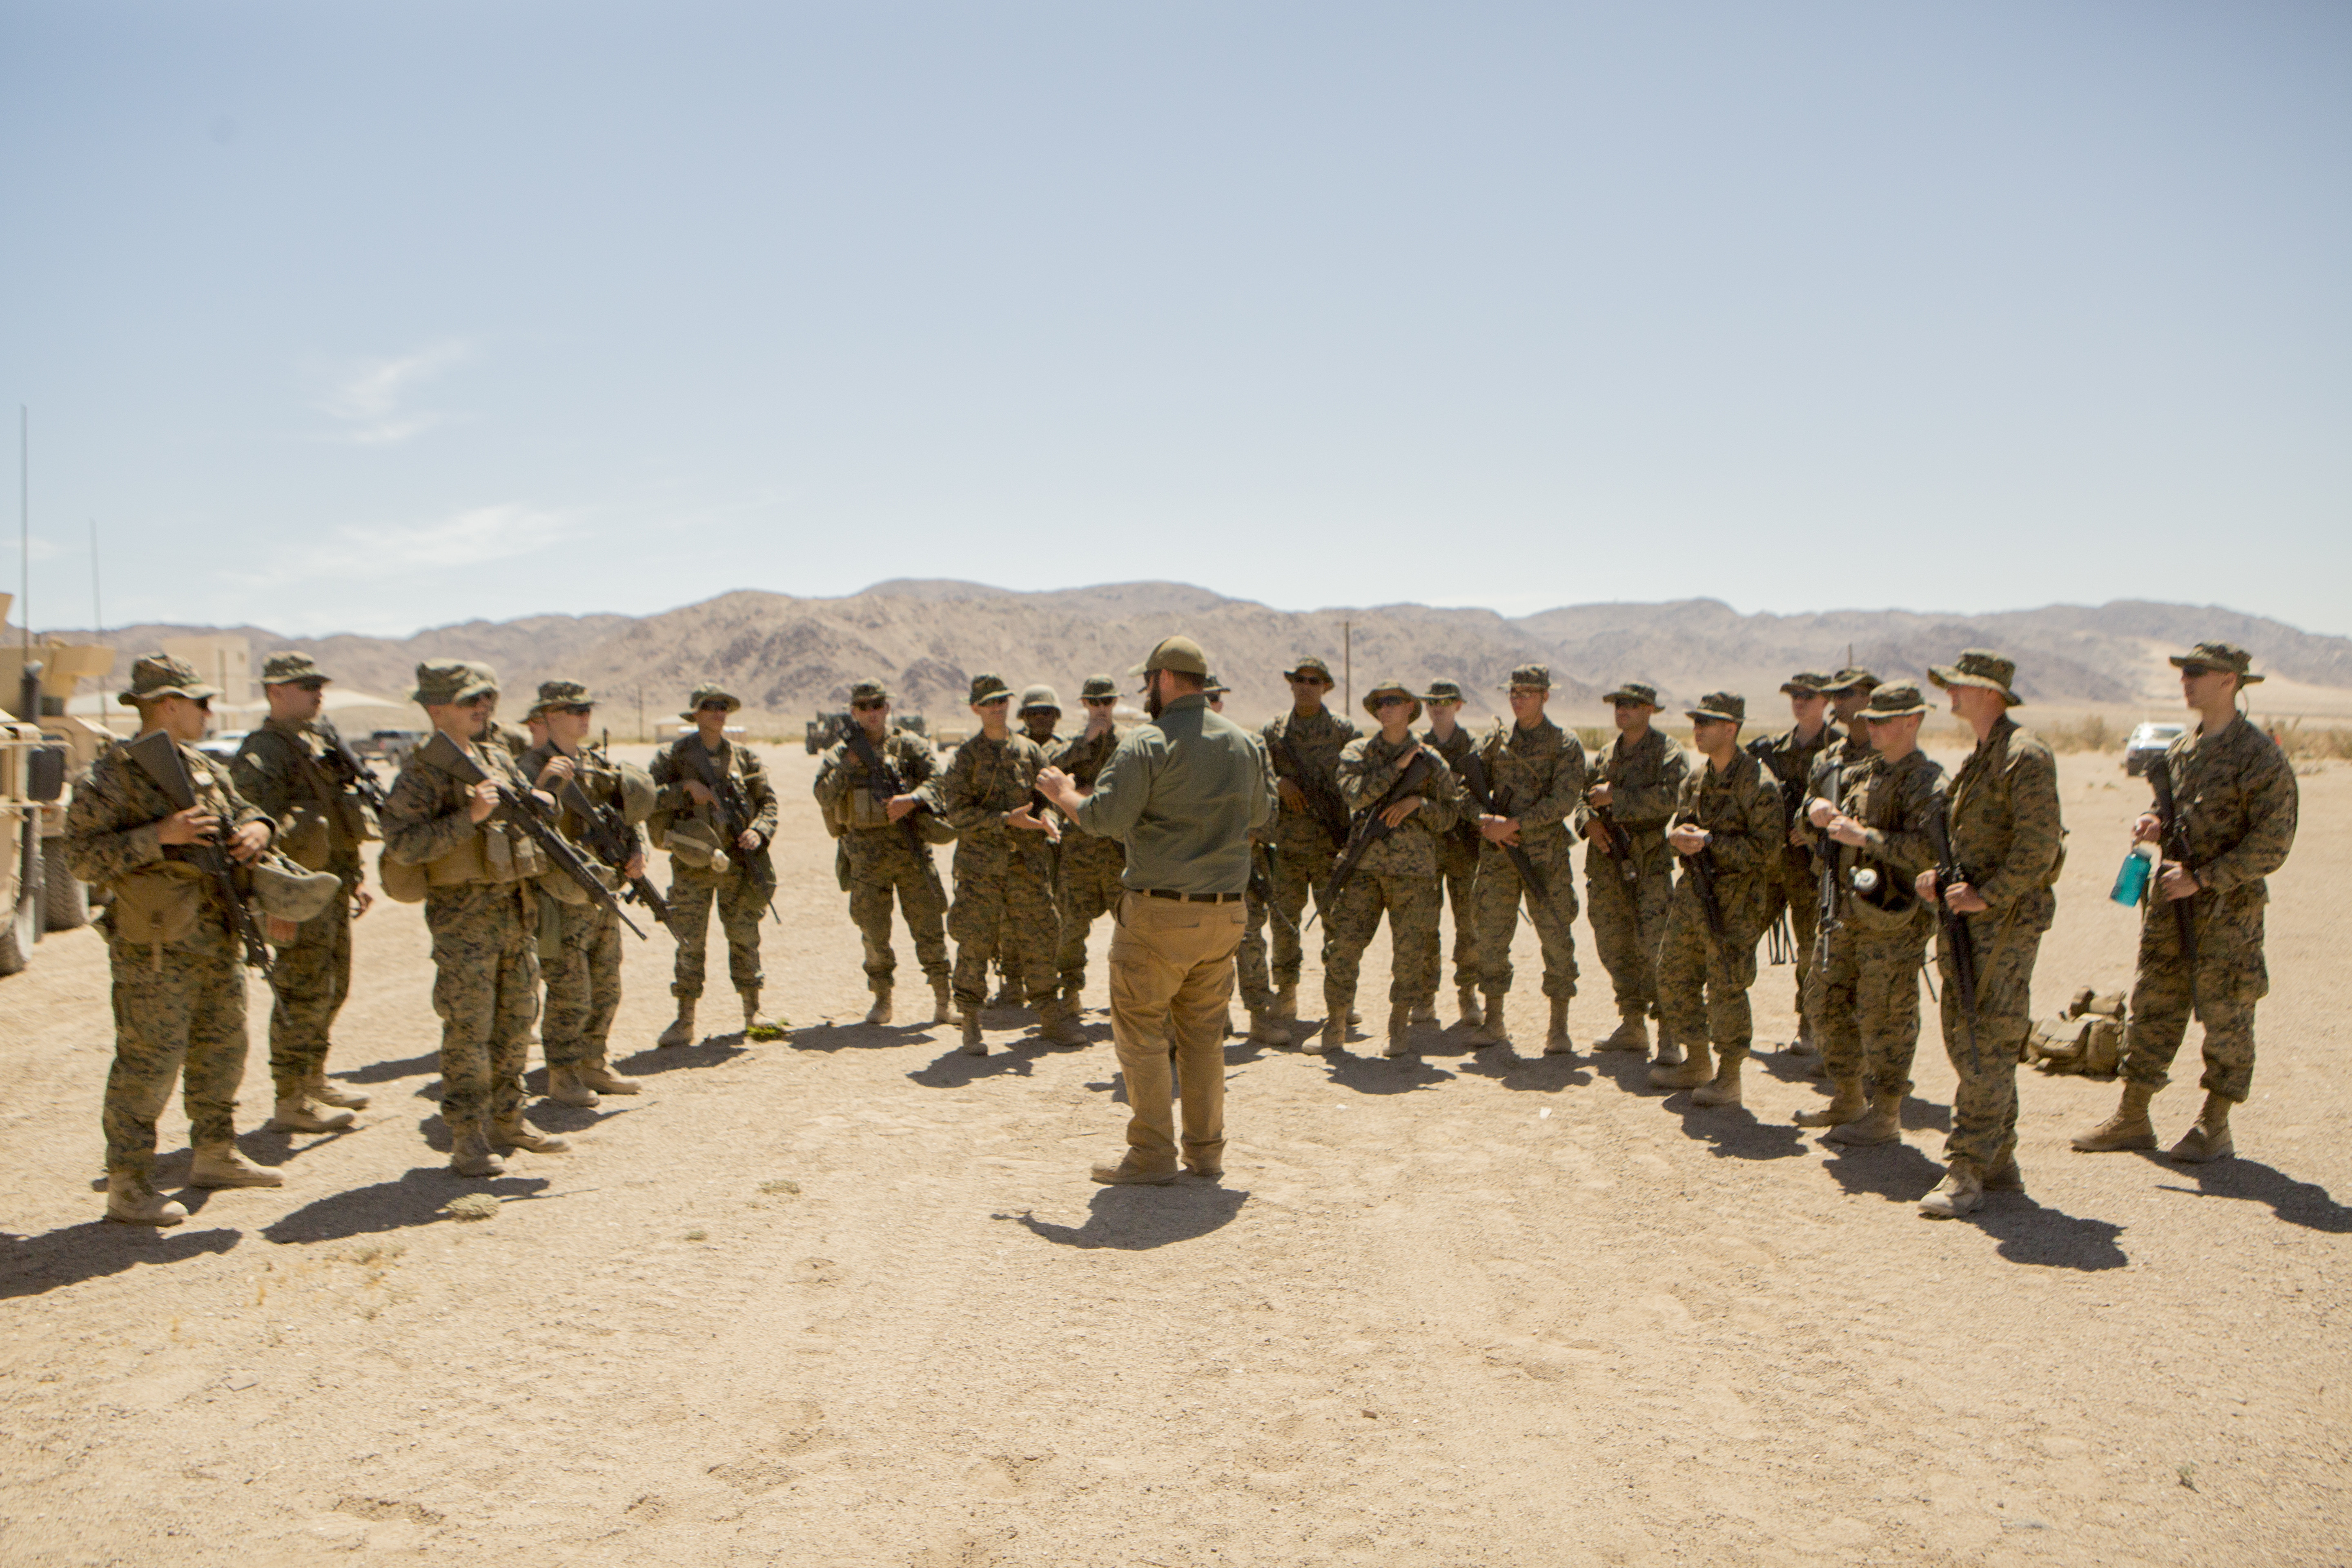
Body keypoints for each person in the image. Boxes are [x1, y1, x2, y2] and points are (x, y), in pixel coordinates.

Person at [1035, 635, 1274, 1184]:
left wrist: (1062, 792)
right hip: (1225, 917)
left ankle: (1152, 1155)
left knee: (1141, 1034)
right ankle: (1206, 1153)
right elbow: (1261, 813)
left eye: (1148, 681)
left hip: (1159, 917)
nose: (1146, 691)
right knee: (1203, 1037)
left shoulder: (1148, 742)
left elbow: (1103, 819)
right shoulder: (1244, 743)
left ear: (1164, 679)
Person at [67, 654, 285, 1223]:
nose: (209, 713)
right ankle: (128, 1184)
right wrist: (159, 836)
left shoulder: (203, 767)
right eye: (201, 703)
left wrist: (259, 828)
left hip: (217, 934)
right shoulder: (110, 776)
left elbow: (247, 810)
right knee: (149, 1062)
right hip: (156, 946)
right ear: (168, 705)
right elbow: (81, 858)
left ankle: (215, 1153)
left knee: (223, 1049)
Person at [2073, 641, 2297, 1165]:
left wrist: (2205, 878)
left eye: (2197, 672)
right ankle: (2133, 1115)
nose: (2186, 680)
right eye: (2184, 672)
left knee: (2227, 1015)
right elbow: (2171, 807)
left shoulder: (2259, 756)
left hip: (2227, 915)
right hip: (2171, 907)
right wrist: (2154, 821)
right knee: (2153, 1005)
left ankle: (2214, 1124)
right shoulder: (2181, 750)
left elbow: (2274, 842)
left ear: (2229, 681)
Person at [381, 660, 568, 1177]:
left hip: (514, 911)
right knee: (469, 1030)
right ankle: (467, 1136)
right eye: (470, 701)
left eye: (487, 698)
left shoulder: (495, 757)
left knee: (516, 1021)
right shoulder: (423, 773)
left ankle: (509, 1118)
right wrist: (470, 818)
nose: (483, 707)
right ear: (436, 709)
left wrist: (543, 795)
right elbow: (402, 844)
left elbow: (525, 816)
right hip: (463, 922)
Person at [1911, 650, 2063, 1218]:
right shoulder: (1983, 756)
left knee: (1986, 1041)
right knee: (1969, 1036)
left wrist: (1989, 895)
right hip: (1967, 921)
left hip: (2004, 924)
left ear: (1990, 693)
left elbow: (2039, 846)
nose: (1950, 691)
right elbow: (1971, 840)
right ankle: (1999, 1158)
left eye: (1961, 684)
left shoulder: (2025, 755)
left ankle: (1967, 1168)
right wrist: (1941, 877)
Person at [231, 652, 376, 1134]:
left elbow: (337, 817)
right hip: (296, 894)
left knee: (333, 987)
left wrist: (354, 877)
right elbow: (254, 832)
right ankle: (290, 1099)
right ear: (275, 692)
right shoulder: (263, 753)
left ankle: (314, 1077)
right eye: (307, 686)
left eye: (319, 686)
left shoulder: (317, 742)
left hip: (330, 886)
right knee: (301, 993)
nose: (318, 694)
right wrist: (274, 902)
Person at [1793, 682, 1945, 1141]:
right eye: (1870, 719)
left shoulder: (1929, 783)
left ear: (1912, 722)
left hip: (1892, 919)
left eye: (1882, 721)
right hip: (1844, 912)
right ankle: (1848, 1097)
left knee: (1887, 1014)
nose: (1871, 727)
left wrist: (1866, 839)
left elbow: (1932, 851)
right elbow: (1809, 819)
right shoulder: (1856, 773)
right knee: (1825, 1001)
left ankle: (1887, 1113)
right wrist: (1814, 810)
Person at [517, 681, 647, 1107]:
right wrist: (544, 785)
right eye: (576, 710)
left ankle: (594, 1063)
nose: (585, 716)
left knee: (607, 984)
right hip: (559, 895)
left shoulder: (595, 764)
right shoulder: (529, 767)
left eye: (587, 709)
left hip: (601, 889)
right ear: (551, 716)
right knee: (570, 990)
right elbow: (522, 825)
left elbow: (626, 816)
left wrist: (638, 850)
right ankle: (563, 1075)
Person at [1648, 694, 1781, 1105]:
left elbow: (1768, 851)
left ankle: (1729, 1077)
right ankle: (1697, 1061)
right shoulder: (1695, 780)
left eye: (1707, 723)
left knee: (1727, 985)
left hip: (1736, 902)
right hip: (1693, 895)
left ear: (1731, 728)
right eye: (1697, 722)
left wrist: (1711, 843)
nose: (1698, 729)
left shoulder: (1759, 783)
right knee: (1673, 973)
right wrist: (1676, 839)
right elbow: (1681, 828)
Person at [1317, 679, 1460, 1057]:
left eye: (1394, 702)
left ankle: (1399, 1027)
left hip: (1413, 873)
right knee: (1343, 945)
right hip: (1363, 867)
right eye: (1380, 703)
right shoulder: (1358, 752)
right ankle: (1335, 1025)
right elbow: (1355, 795)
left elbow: (1451, 815)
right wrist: (1397, 768)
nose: (1386, 708)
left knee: (1410, 952)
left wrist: (1419, 806)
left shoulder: (1431, 761)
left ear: (1410, 708)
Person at [930, 673, 1062, 1054]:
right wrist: (1004, 821)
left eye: (1003, 700)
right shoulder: (966, 758)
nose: (998, 708)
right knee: (975, 941)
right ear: (976, 709)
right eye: (989, 703)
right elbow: (956, 813)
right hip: (980, 869)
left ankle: (1050, 1019)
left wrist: (1049, 818)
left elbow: (1049, 798)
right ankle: (971, 1023)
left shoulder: (1030, 752)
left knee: (1040, 937)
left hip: (1027, 866)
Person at [811, 678, 953, 1027]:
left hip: (911, 853)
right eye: (864, 707)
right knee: (874, 934)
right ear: (854, 711)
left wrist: (912, 800)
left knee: (929, 929)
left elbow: (939, 782)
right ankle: (882, 998)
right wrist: (849, 764)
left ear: (887, 708)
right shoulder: (840, 753)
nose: (872, 713)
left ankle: (943, 1000)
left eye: (878, 705)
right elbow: (823, 796)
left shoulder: (910, 746)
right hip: (866, 860)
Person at [650, 683, 781, 1045]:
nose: (718, 713)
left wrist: (759, 831)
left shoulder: (745, 757)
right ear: (696, 713)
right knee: (689, 939)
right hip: (692, 862)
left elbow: (768, 802)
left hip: (738, 862)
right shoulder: (673, 757)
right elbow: (647, 798)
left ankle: (754, 1011)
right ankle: (685, 1019)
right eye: (710, 706)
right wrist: (684, 790)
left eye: (723, 707)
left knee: (745, 935)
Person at [1466, 666, 1586, 1054]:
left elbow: (1564, 801)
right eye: (1514, 693)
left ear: (1545, 697)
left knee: (1556, 937)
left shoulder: (1564, 744)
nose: (1518, 700)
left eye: (1527, 693)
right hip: (1499, 857)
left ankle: (1558, 1028)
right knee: (1491, 936)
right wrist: (1486, 823)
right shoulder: (1494, 742)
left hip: (1544, 858)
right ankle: (1494, 1021)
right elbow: (1464, 790)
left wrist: (1515, 824)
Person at [1242, 657, 1360, 1033]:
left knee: (1337, 923)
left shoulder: (1343, 730)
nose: (1306, 686)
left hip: (1331, 846)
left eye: (1314, 681)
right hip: (1286, 847)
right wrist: (1278, 783)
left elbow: (1359, 778)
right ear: (1291, 684)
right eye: (1300, 680)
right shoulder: (1273, 732)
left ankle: (1341, 999)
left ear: (1325, 687)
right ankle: (1287, 993)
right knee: (1284, 923)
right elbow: (1255, 774)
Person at [1579, 680, 1689, 1061]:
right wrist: (1588, 822)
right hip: (1607, 860)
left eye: (1631, 704)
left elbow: (1671, 798)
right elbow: (1581, 797)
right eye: (1618, 704)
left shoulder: (1667, 752)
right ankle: (1631, 1022)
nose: (1622, 710)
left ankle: (1669, 1033)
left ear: (1650, 710)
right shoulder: (1605, 754)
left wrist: (1617, 798)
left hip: (1648, 861)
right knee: (1614, 942)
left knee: (1657, 946)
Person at [1746, 672, 1841, 1057]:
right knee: (1741, 933)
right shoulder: (1774, 750)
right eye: (1794, 696)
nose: (1799, 701)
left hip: (1813, 869)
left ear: (1826, 701)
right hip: (1773, 866)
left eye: (1808, 695)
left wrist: (1813, 833)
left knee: (1811, 950)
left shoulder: (1838, 750)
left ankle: (1810, 1024)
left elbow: (1850, 807)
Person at [1046, 675, 1127, 1042]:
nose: (1101, 709)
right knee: (1071, 927)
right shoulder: (1070, 745)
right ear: (1084, 705)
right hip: (1078, 852)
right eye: (1095, 703)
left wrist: (1085, 792)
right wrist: (1086, 744)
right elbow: (1050, 774)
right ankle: (1070, 992)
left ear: (1115, 703)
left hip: (1119, 852)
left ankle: (1127, 999)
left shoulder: (1130, 744)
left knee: (1130, 929)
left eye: (1107, 702)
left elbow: (1134, 787)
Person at [1419, 679, 1484, 1028]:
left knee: (1468, 923)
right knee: (1425, 923)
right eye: (1432, 702)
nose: (1438, 707)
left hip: (1464, 848)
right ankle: (1425, 996)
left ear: (1458, 705)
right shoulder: (1418, 746)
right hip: (1428, 847)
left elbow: (1482, 792)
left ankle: (1468, 993)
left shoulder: (1475, 746)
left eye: (1445, 701)